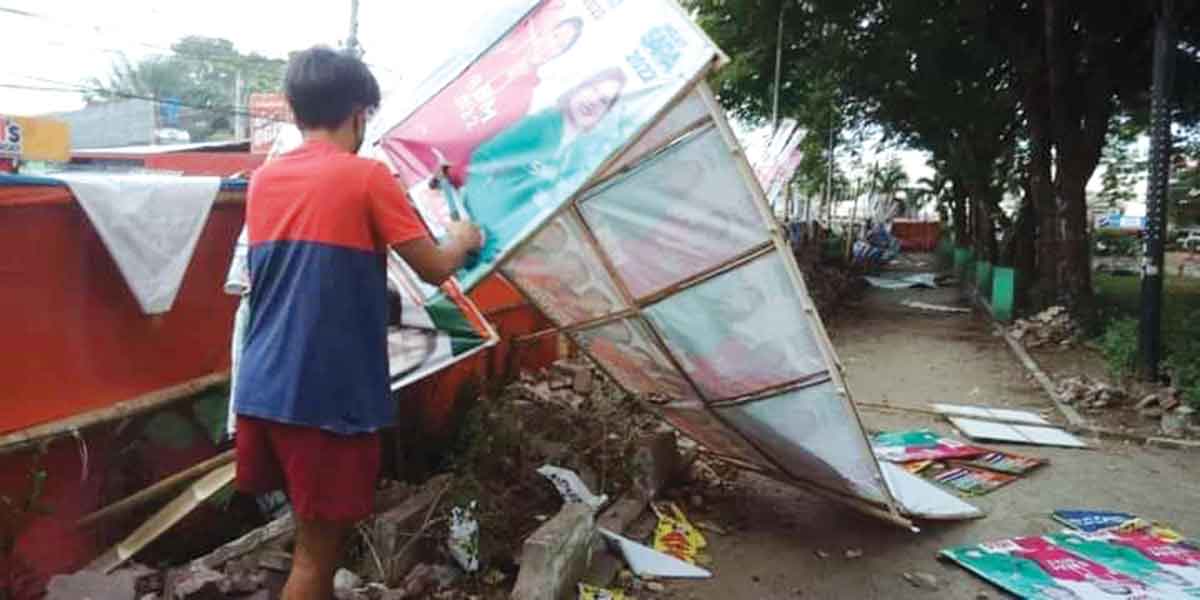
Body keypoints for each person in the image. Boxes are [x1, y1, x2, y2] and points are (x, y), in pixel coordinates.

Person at [234, 47, 482, 600]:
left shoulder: (263, 182)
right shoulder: (366, 177)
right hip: (322, 395)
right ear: (359, 112)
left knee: (313, 540)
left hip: (263, 384)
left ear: (296, 111)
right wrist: (462, 238)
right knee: (315, 556)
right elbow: (435, 266)